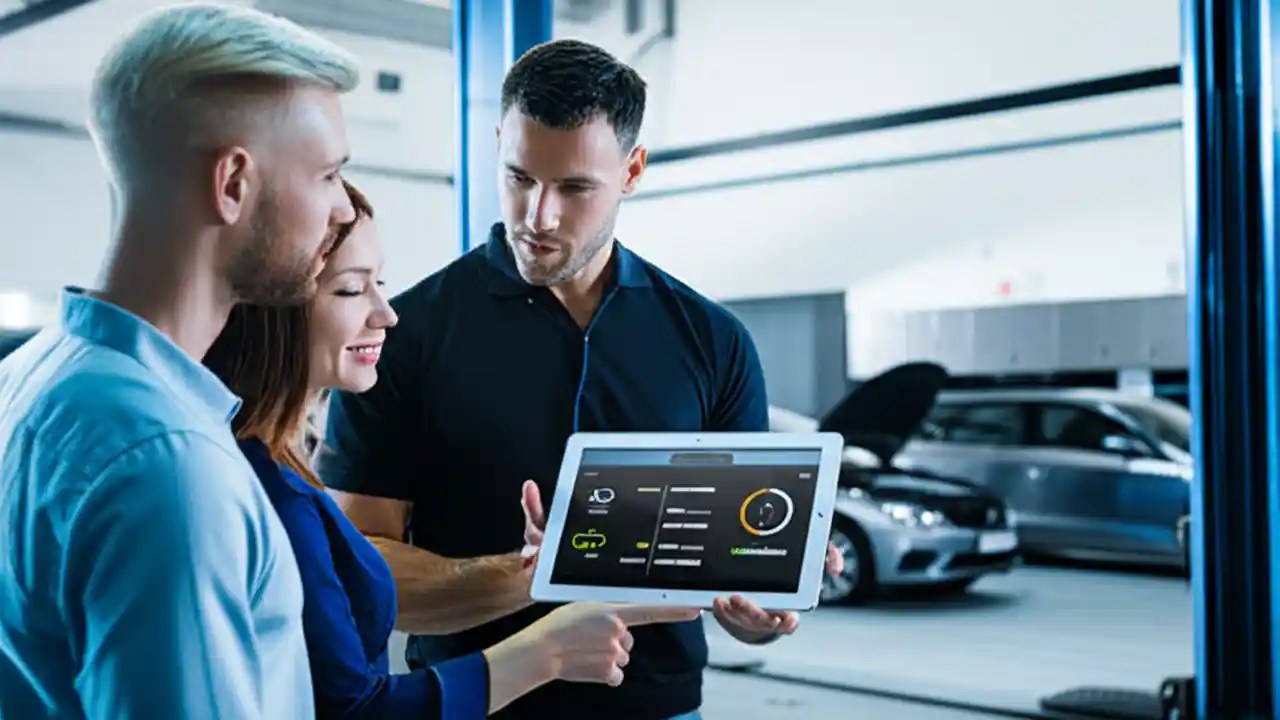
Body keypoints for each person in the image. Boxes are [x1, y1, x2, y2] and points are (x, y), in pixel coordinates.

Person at [316, 39, 841, 720]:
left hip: (661, 709)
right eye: (520, 177)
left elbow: (729, 582)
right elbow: (362, 575)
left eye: (573, 188)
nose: (538, 217)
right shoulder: (403, 334)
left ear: (633, 171)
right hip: (476, 703)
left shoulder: (714, 343)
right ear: (499, 142)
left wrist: (754, 610)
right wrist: (530, 577)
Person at [203, 179, 699, 718]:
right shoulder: (271, 494)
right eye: (351, 289)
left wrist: (540, 573)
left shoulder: (279, 473)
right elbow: (351, 709)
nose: (386, 313)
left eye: (380, 284)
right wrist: (545, 650)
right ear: (271, 303)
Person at [0, 4, 361, 718]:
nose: (344, 209)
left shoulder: (32, 379)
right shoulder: (169, 464)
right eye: (327, 176)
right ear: (232, 184)